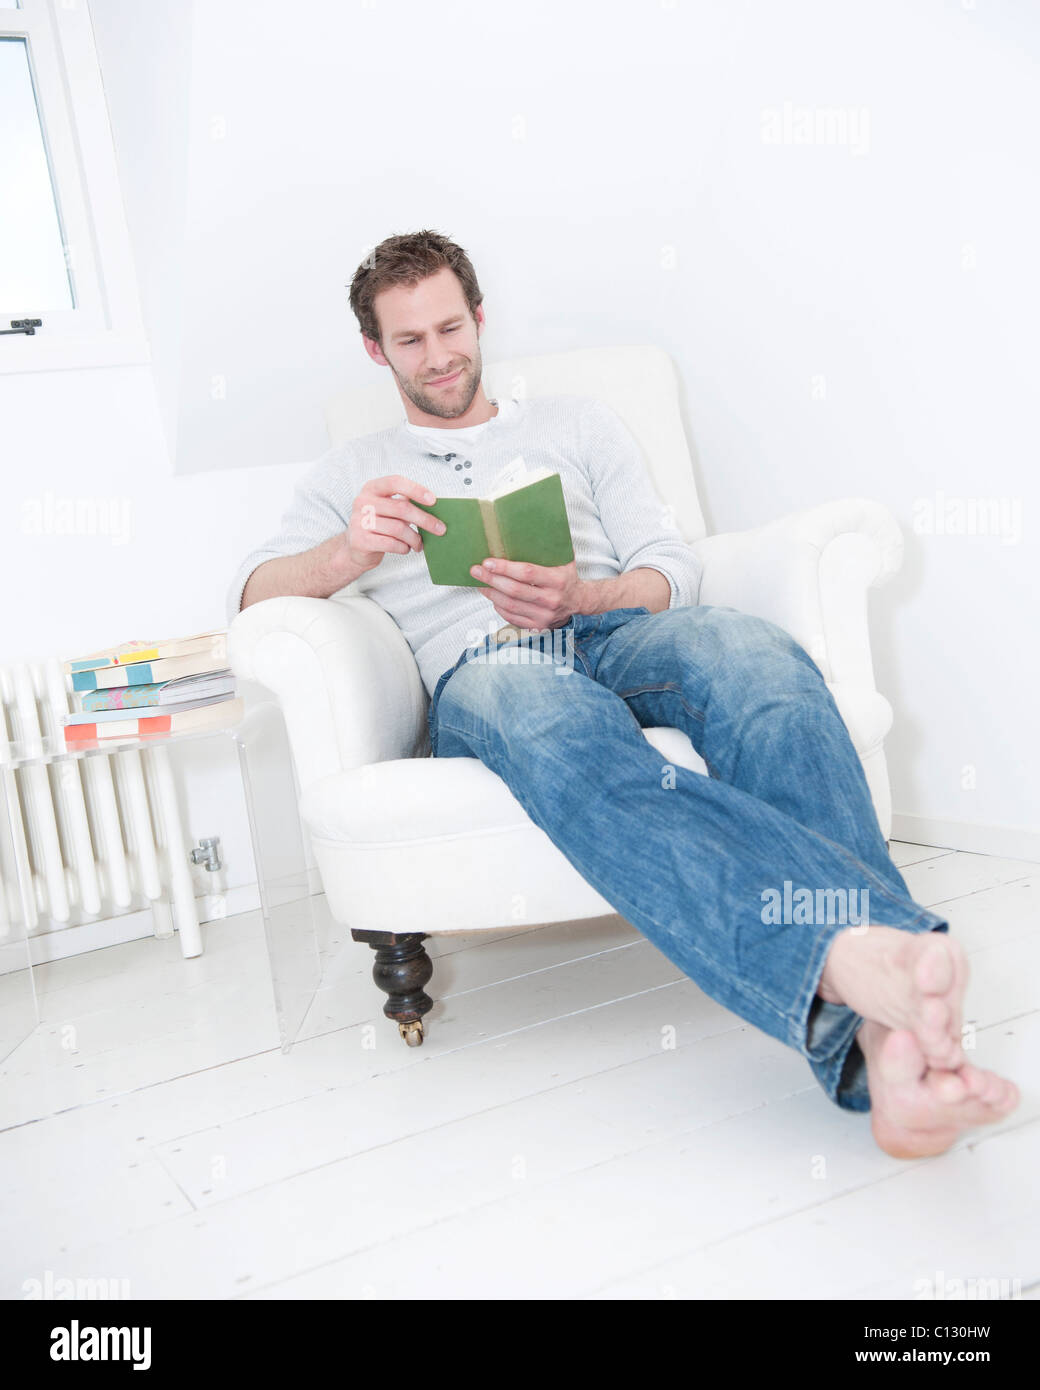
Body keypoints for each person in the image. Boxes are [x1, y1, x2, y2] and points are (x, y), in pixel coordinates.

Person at [227, 229, 1019, 1158]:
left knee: (756, 657)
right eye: (410, 341)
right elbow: (250, 600)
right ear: (376, 350)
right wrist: (350, 552)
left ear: (480, 318)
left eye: (451, 327)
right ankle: (858, 969)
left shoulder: (580, 424)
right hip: (489, 672)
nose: (438, 355)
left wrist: (582, 594)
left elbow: (670, 566)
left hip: (617, 627)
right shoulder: (350, 472)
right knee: (563, 729)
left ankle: (886, 1038)